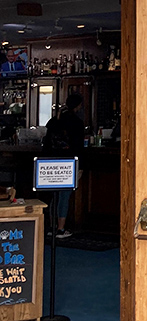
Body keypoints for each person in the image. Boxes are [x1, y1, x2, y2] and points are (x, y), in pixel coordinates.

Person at [43, 93, 85, 239]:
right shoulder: (77, 123)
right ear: (78, 106)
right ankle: (61, 229)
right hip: (68, 162)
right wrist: (80, 166)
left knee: (54, 195)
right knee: (64, 196)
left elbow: (46, 143)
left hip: (51, 163)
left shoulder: (54, 121)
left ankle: (52, 227)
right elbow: (78, 147)